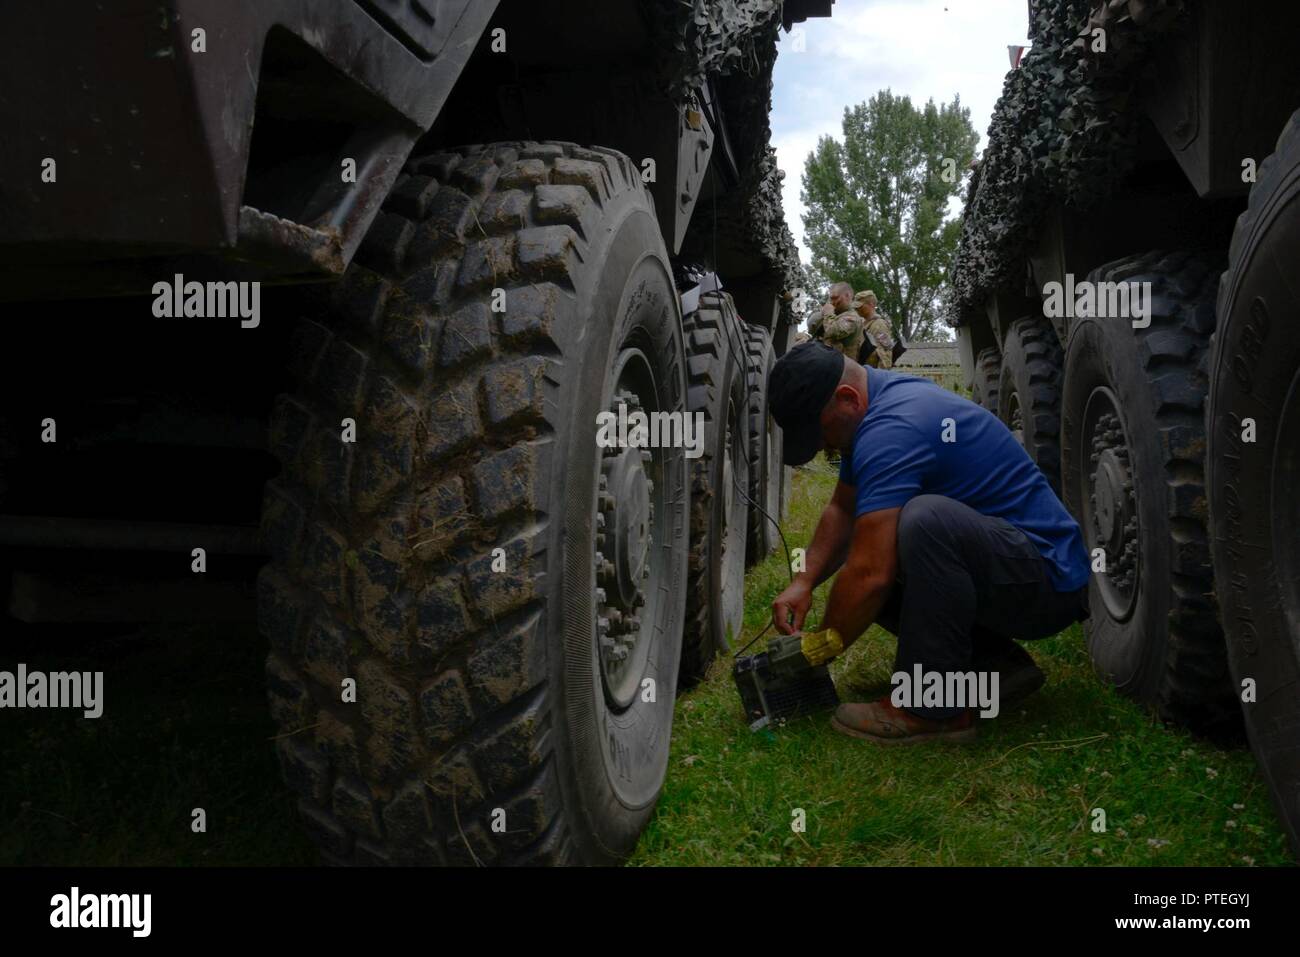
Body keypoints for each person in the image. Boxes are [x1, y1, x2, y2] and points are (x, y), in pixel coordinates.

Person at [765, 342, 1090, 743]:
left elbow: (870, 574)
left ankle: (931, 709)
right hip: (1008, 564)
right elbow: (843, 511)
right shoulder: (873, 409)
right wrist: (803, 581)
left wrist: (818, 648)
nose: (822, 446)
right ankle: (994, 665)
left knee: (924, 522)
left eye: (821, 431)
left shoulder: (892, 428)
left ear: (848, 399)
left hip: (1046, 577)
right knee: (899, 538)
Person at [852, 290, 895, 369]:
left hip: (872, 374)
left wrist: (880, 377)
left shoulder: (879, 325)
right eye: (856, 306)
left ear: (871, 304)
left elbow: (885, 354)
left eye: (860, 305)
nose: (857, 308)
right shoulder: (864, 324)